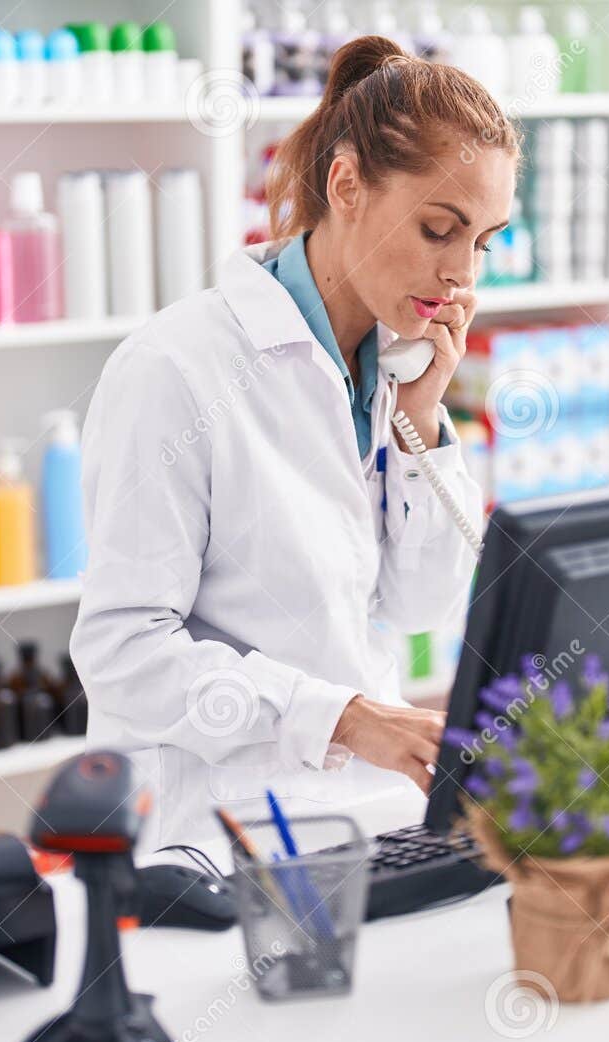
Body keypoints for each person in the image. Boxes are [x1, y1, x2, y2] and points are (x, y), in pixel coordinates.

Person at [71, 35, 519, 843]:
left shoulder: (387, 366)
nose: (463, 277)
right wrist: (341, 718)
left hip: (361, 812)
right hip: (218, 828)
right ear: (346, 184)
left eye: (481, 241)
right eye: (438, 228)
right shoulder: (174, 369)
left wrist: (423, 418)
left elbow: (420, 607)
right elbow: (123, 653)